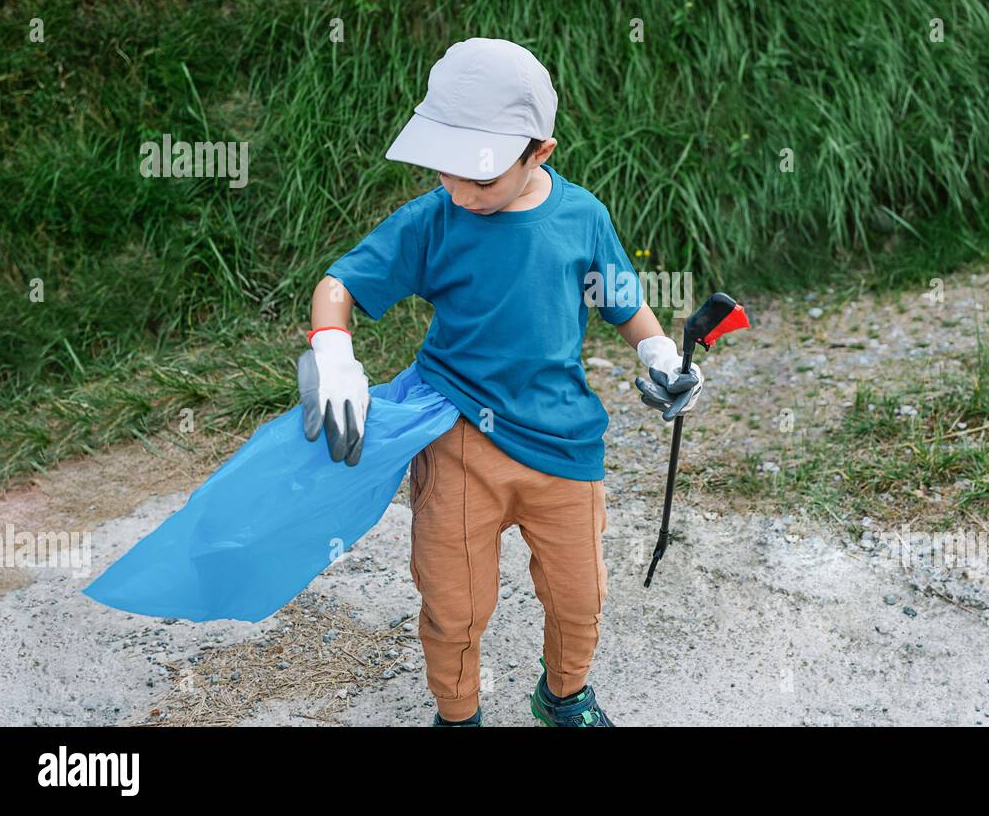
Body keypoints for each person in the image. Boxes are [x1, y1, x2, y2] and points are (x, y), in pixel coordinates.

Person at [301, 38, 704, 727]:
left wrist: (661, 353)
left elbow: (620, 299)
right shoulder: (435, 219)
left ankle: (563, 695)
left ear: (539, 152)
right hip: (458, 442)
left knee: (579, 597)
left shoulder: (582, 218)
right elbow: (339, 284)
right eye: (447, 171)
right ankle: (457, 715)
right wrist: (332, 352)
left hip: (565, 446)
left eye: (481, 178)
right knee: (455, 602)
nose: (459, 191)